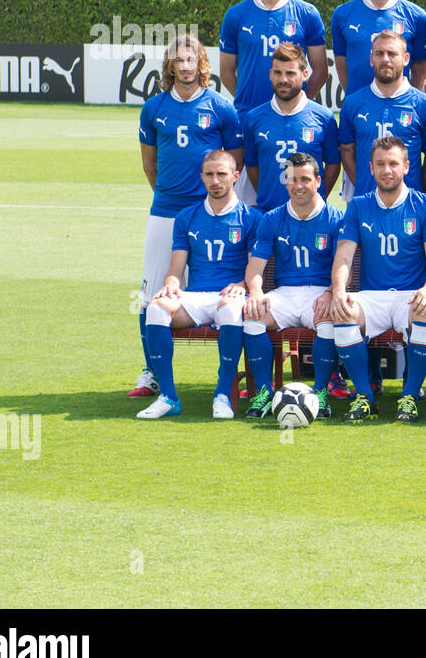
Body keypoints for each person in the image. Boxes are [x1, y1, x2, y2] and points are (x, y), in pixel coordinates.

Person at [133, 36, 242, 399]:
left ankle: (227, 376)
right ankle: (152, 372)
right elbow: (150, 164)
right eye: (177, 60)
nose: (184, 66)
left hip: (211, 215)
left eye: (190, 59)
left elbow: (233, 163)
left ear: (201, 64)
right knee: (153, 294)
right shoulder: (153, 108)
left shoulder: (222, 108)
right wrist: (168, 196)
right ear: (169, 65)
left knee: (218, 294)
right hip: (165, 212)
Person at [137, 150, 261, 419]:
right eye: (209, 174)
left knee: (230, 310)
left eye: (221, 174)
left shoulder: (252, 218)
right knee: (156, 308)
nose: (215, 180)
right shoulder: (186, 217)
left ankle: (222, 394)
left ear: (236, 176)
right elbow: (176, 269)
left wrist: (242, 283)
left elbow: (254, 268)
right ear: (201, 177)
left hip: (229, 296)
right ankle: (168, 397)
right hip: (194, 296)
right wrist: (170, 285)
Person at [329, 137, 426, 423]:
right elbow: (343, 257)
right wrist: (339, 291)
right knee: (344, 313)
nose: (387, 170)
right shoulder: (358, 206)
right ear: (370, 168)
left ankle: (410, 395)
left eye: (393, 163)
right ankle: (365, 397)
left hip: (411, 294)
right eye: (380, 164)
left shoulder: (425, 205)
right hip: (372, 295)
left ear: (406, 166)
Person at [240, 153, 345, 419]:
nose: (298, 185)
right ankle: (264, 393)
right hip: (284, 294)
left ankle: (320, 394)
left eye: (305, 179)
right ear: (285, 182)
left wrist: (331, 292)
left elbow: (342, 264)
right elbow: (255, 266)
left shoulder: (336, 218)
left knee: (330, 320)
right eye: (292, 179)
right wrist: (254, 292)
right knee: (252, 315)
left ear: (318, 181)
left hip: (319, 293)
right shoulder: (272, 218)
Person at [218, 0, 328, 115]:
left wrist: (296, 103)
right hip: (248, 116)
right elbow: (226, 72)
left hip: (293, 116)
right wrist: (248, 102)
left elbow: (321, 71)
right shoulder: (235, 15)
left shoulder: (307, 14)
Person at [338, 30, 426, 197]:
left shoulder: (425, 105)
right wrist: (365, 188)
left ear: (406, 59)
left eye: (392, 53)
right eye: (379, 53)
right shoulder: (352, 103)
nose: (385, 59)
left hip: (410, 206)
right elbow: (346, 150)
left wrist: (416, 191)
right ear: (371, 59)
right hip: (367, 206)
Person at [242, 43, 340, 212]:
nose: (283, 80)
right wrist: (267, 197)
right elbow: (252, 166)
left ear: (305, 74)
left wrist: (318, 196)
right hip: (268, 214)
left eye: (290, 73)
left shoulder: (324, 118)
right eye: (278, 72)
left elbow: (333, 165)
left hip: (311, 217)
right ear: (270, 74)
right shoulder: (253, 119)